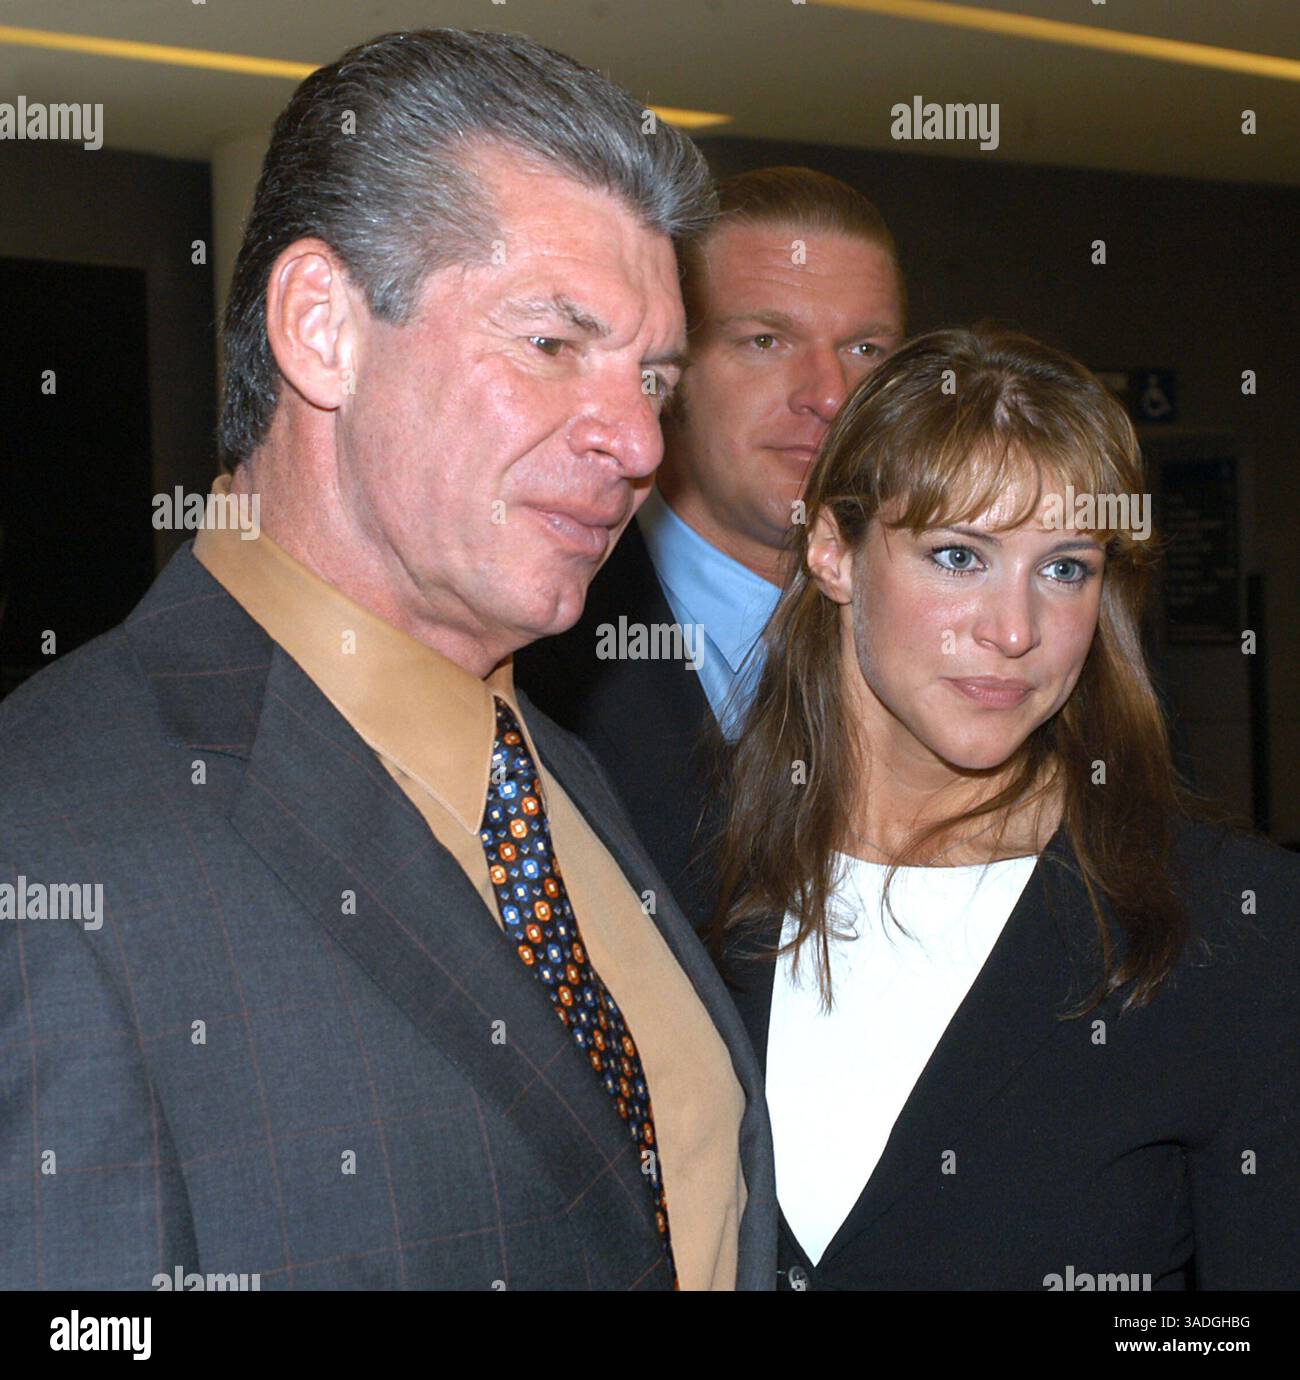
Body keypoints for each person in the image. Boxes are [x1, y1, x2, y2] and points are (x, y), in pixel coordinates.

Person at [0, 29, 777, 1291]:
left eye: (652, 377)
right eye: (550, 345)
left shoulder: (559, 770)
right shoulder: (46, 855)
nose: (637, 440)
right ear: (322, 329)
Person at [712, 324, 1300, 1291]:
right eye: (958, 556)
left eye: (1064, 568)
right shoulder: (681, 870)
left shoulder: (1232, 921)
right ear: (833, 552)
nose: (1016, 630)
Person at [516, 167, 906, 932]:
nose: (827, 393)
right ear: (668, 373)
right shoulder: (526, 656)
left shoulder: (1004, 637)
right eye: (766, 340)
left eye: (864, 347)